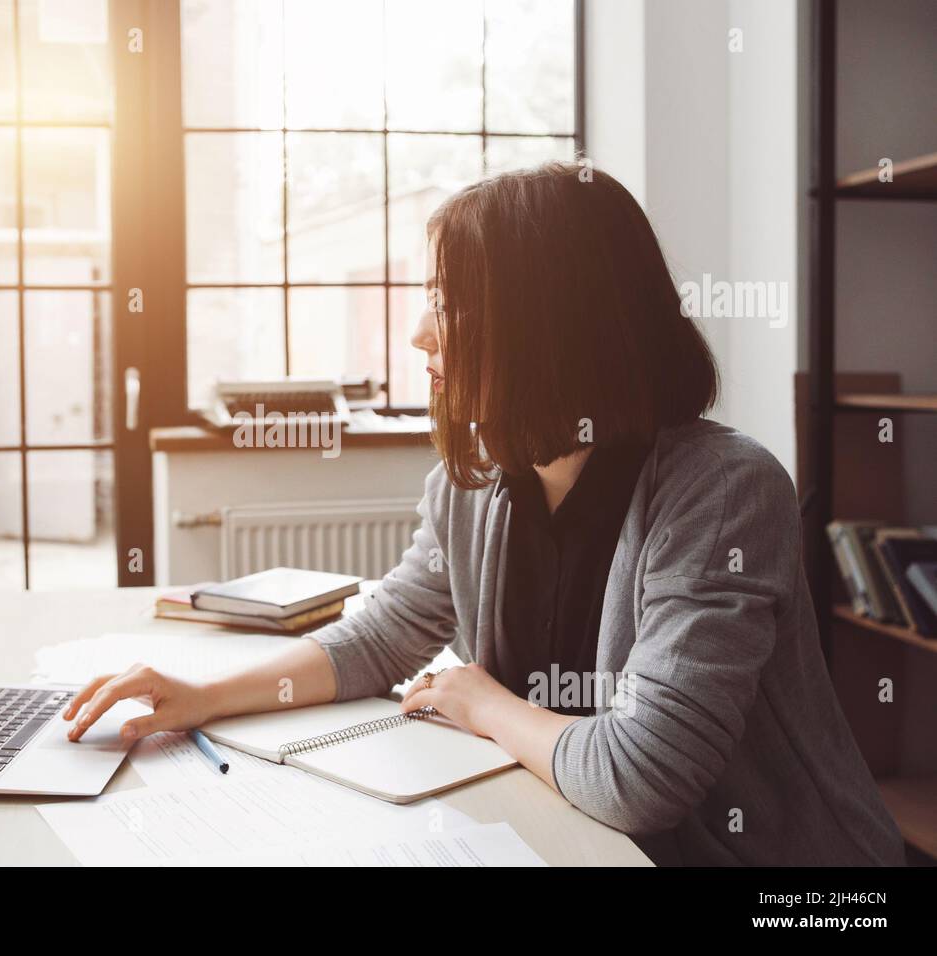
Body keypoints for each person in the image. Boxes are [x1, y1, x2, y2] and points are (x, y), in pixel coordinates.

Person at [64, 163, 904, 866]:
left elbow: (642, 779)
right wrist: (200, 698)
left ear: (547, 326)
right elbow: (381, 637)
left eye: (447, 300)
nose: (420, 335)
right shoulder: (475, 486)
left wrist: (482, 702)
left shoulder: (723, 495)